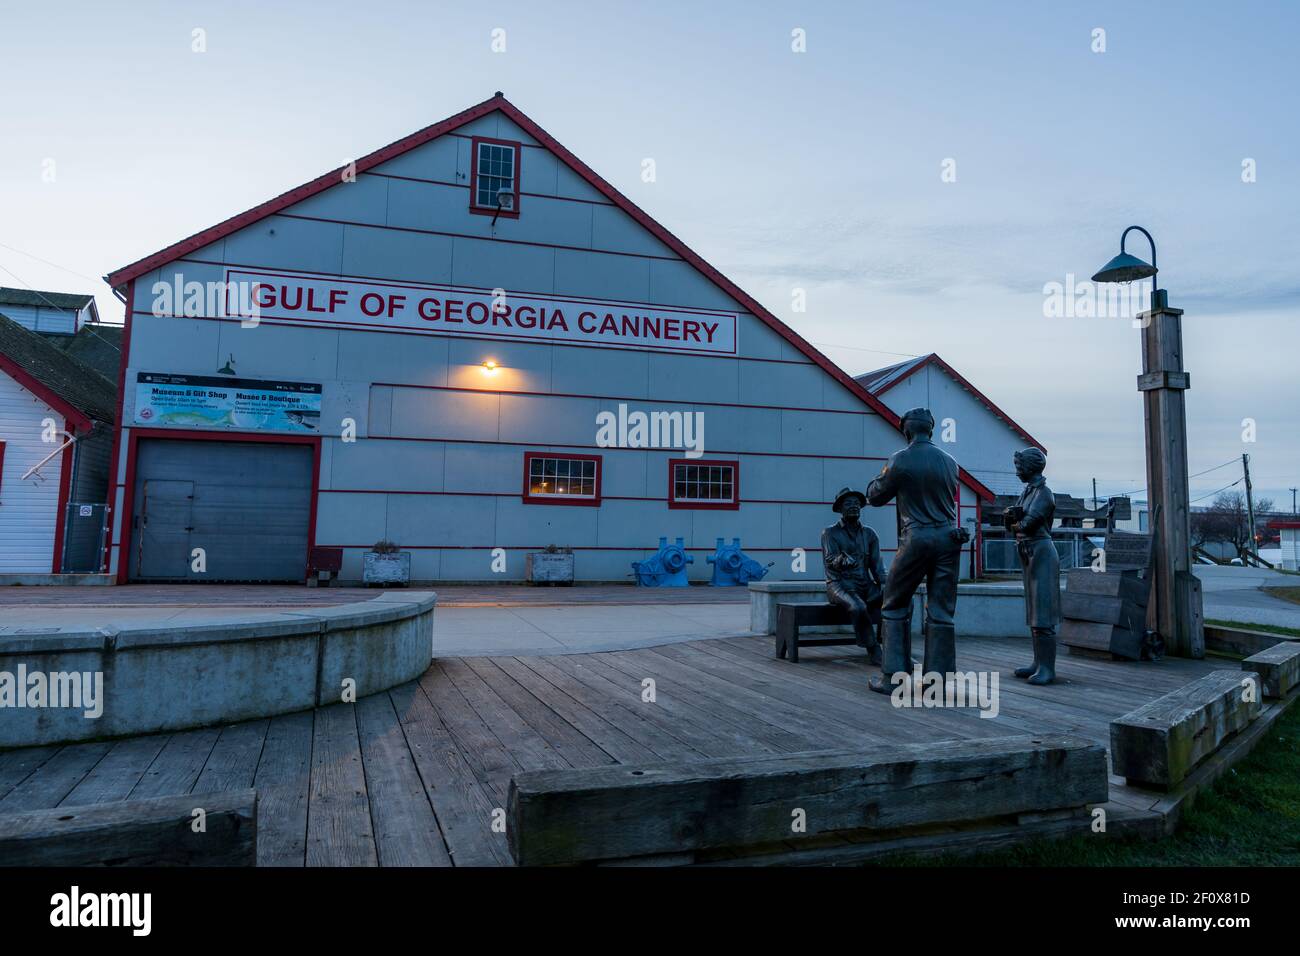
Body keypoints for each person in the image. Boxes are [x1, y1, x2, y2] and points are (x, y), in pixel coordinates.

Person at [865, 407, 967, 694]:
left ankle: (893, 677)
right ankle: (940, 681)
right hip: (948, 538)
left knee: (894, 604)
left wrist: (878, 478)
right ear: (931, 430)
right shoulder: (950, 462)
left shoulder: (900, 459)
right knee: (942, 611)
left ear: (906, 430)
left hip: (917, 537)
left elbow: (875, 496)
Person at [1006, 447, 1061, 685]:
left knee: (1043, 610)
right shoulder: (1028, 492)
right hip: (1029, 552)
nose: (1017, 471)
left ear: (1030, 467)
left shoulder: (1044, 494)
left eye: (1019, 467)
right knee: (1034, 610)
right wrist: (1013, 520)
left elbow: (1026, 524)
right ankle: (1038, 663)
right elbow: (1016, 523)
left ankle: (1047, 668)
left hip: (1041, 552)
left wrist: (1011, 520)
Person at [822, 487, 888, 665]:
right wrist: (841, 559)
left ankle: (897, 647)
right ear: (840, 508)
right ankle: (873, 649)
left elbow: (877, 566)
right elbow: (830, 559)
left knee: (900, 600)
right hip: (839, 586)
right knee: (858, 607)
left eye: (857, 504)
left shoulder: (870, 534)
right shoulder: (830, 533)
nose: (854, 507)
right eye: (849, 503)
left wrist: (886, 584)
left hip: (865, 586)